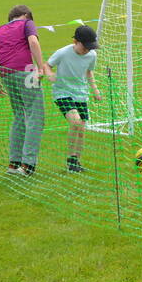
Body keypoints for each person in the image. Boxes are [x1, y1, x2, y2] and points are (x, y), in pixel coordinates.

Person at [0, 5, 47, 175]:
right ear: (25, 15)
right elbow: (33, 42)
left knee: (19, 115)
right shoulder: (27, 24)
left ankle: (13, 164)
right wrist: (41, 68)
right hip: (26, 72)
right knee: (36, 116)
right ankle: (28, 165)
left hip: (6, 75)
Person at [45, 25, 101, 174]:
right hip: (62, 92)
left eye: (91, 47)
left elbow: (89, 72)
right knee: (75, 122)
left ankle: (76, 162)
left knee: (81, 129)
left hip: (81, 93)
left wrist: (95, 89)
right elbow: (47, 65)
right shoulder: (63, 53)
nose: (88, 50)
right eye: (85, 46)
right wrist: (49, 74)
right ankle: (70, 160)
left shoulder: (92, 55)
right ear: (76, 41)